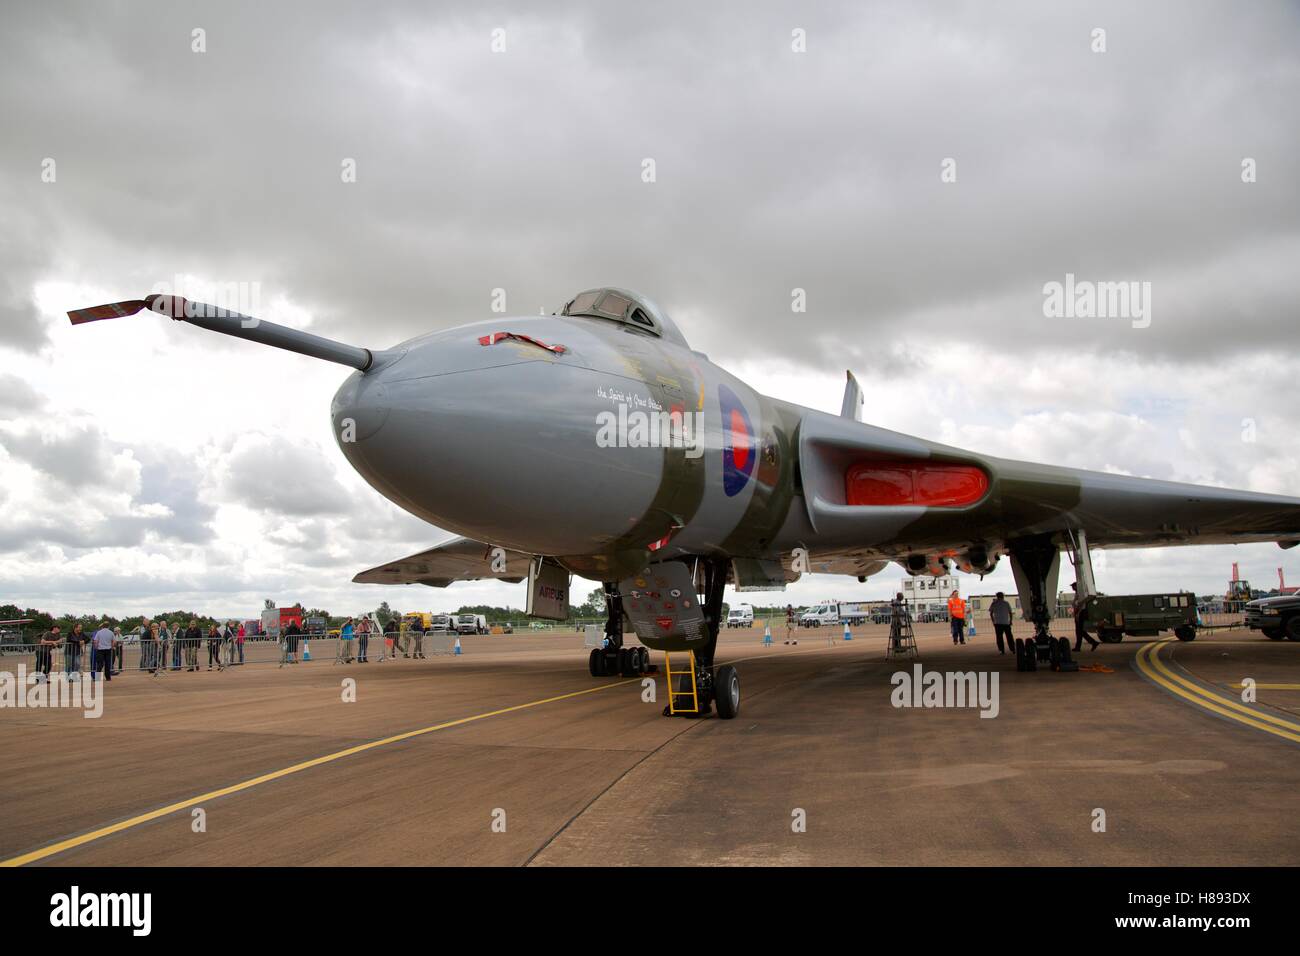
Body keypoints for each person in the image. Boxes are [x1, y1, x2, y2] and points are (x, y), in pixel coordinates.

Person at [1071, 582, 1098, 651]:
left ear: (1077, 587)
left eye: (1073, 586)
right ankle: (1092, 643)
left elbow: (1082, 605)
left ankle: (1091, 643)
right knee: (1080, 631)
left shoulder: (1080, 594)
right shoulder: (1077, 593)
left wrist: (1077, 614)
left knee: (1079, 631)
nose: (1072, 588)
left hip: (1080, 613)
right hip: (1079, 613)